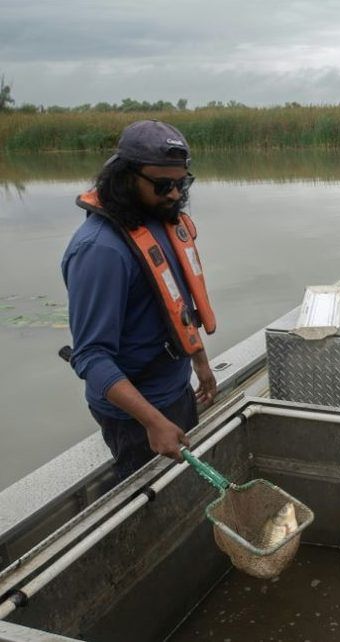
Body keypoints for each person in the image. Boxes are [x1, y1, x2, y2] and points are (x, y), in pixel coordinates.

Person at [62, 120, 217, 481]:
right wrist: (153, 422)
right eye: (163, 185)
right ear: (125, 177)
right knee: (149, 501)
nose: (175, 194)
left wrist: (200, 362)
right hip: (137, 417)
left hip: (175, 389)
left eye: (182, 183)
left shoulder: (159, 221)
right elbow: (90, 356)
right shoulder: (100, 250)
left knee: (183, 487)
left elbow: (177, 305)